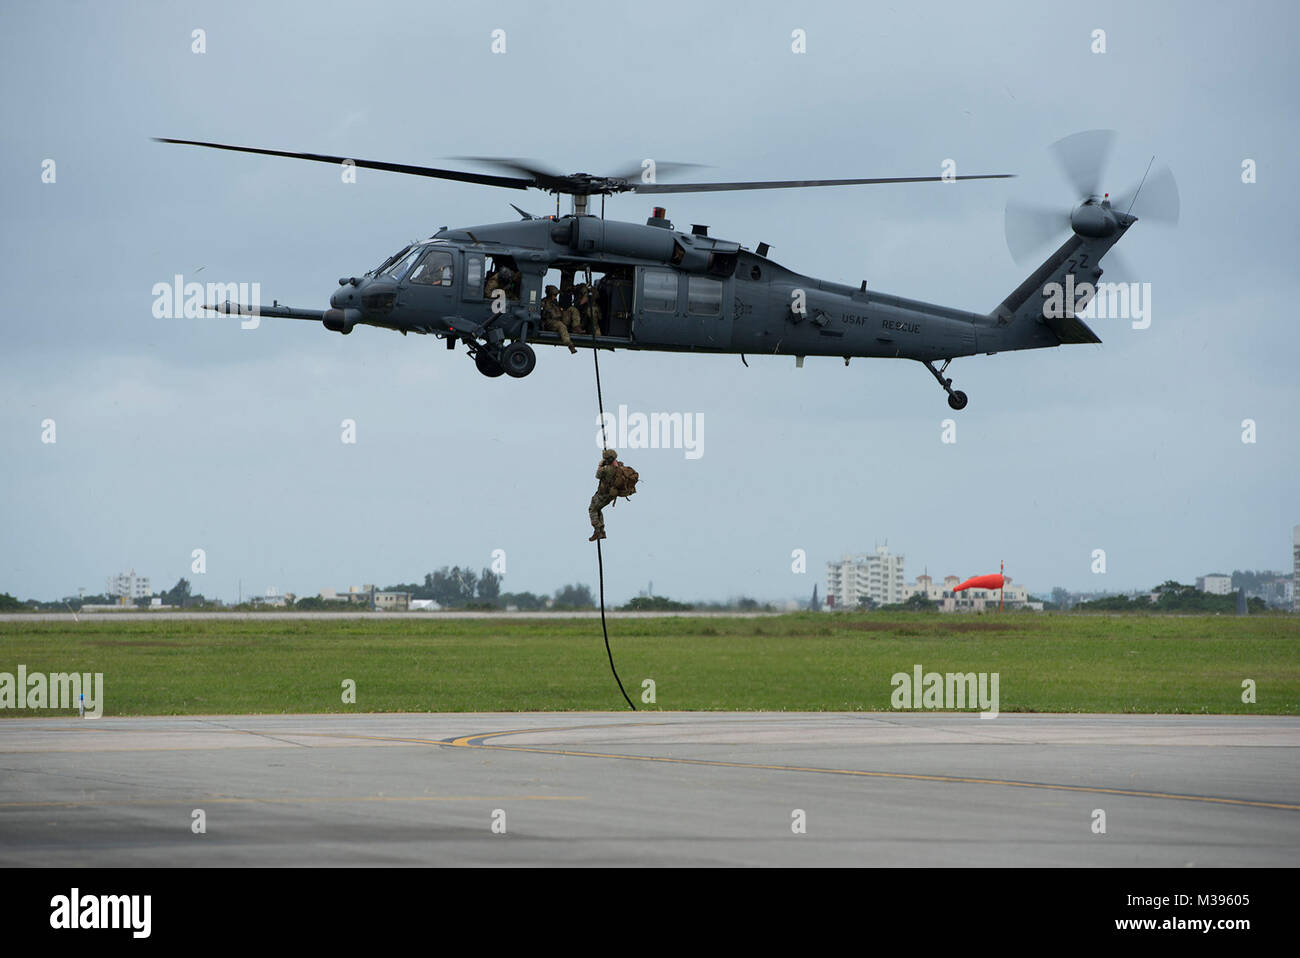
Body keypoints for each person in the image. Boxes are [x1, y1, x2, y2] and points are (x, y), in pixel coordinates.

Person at [541, 284, 577, 353]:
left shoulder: (555, 303)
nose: (555, 297)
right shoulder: (544, 302)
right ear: (550, 295)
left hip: (559, 319)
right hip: (550, 322)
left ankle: (576, 327)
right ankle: (570, 345)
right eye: (554, 295)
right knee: (561, 326)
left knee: (572, 309)